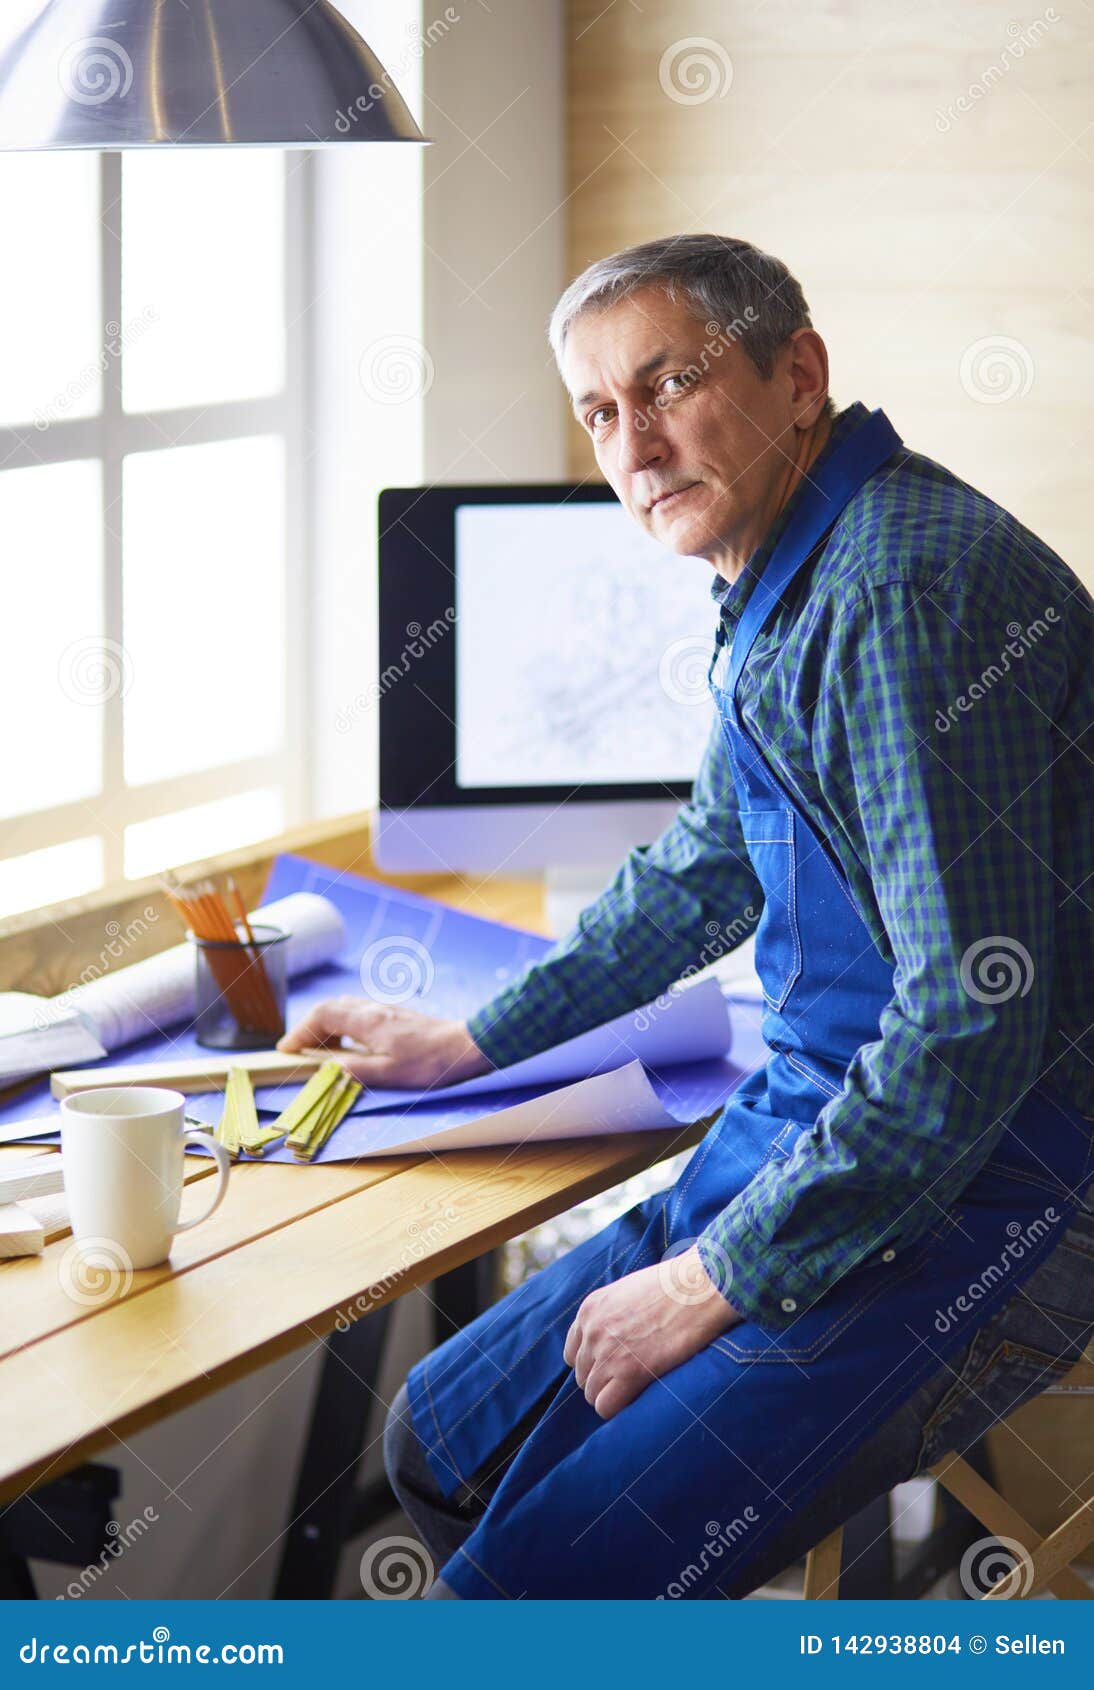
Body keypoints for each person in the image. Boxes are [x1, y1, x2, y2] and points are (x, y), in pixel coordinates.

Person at [280, 235, 1094, 1600]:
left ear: (798, 376)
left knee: (521, 1591)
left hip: (1000, 1193)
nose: (635, 447)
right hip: (825, 1129)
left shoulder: (896, 595)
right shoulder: (785, 573)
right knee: (442, 1441)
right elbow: (706, 864)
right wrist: (469, 1041)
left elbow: (968, 1022)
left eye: (669, 385)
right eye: (600, 412)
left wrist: (713, 1278)